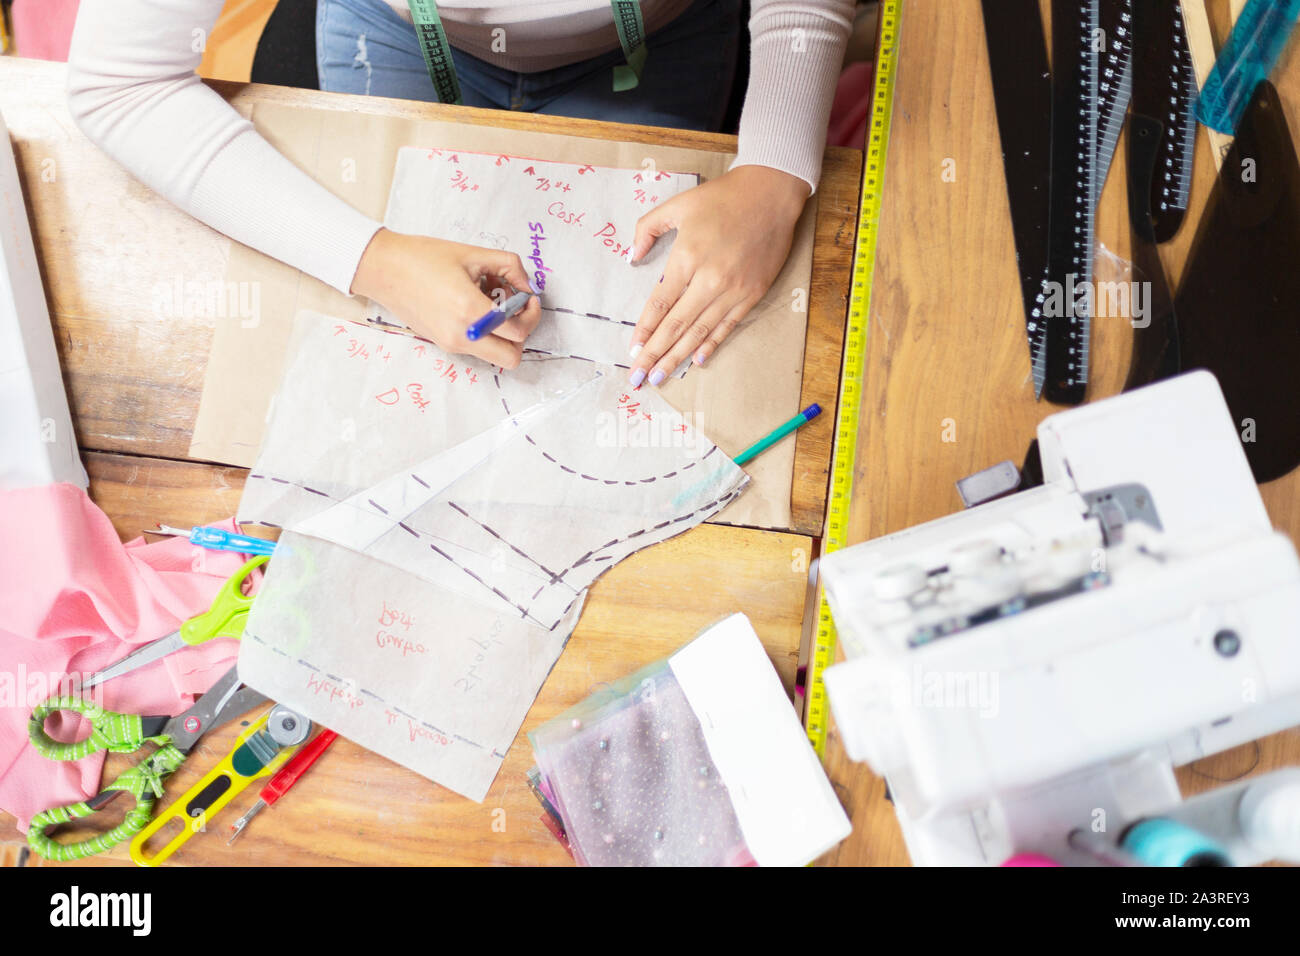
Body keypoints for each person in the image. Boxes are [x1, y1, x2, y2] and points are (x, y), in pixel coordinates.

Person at [67, 0, 853, 385]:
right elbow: (119, 84)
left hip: (655, 35)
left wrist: (775, 174)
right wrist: (373, 260)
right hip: (398, 27)